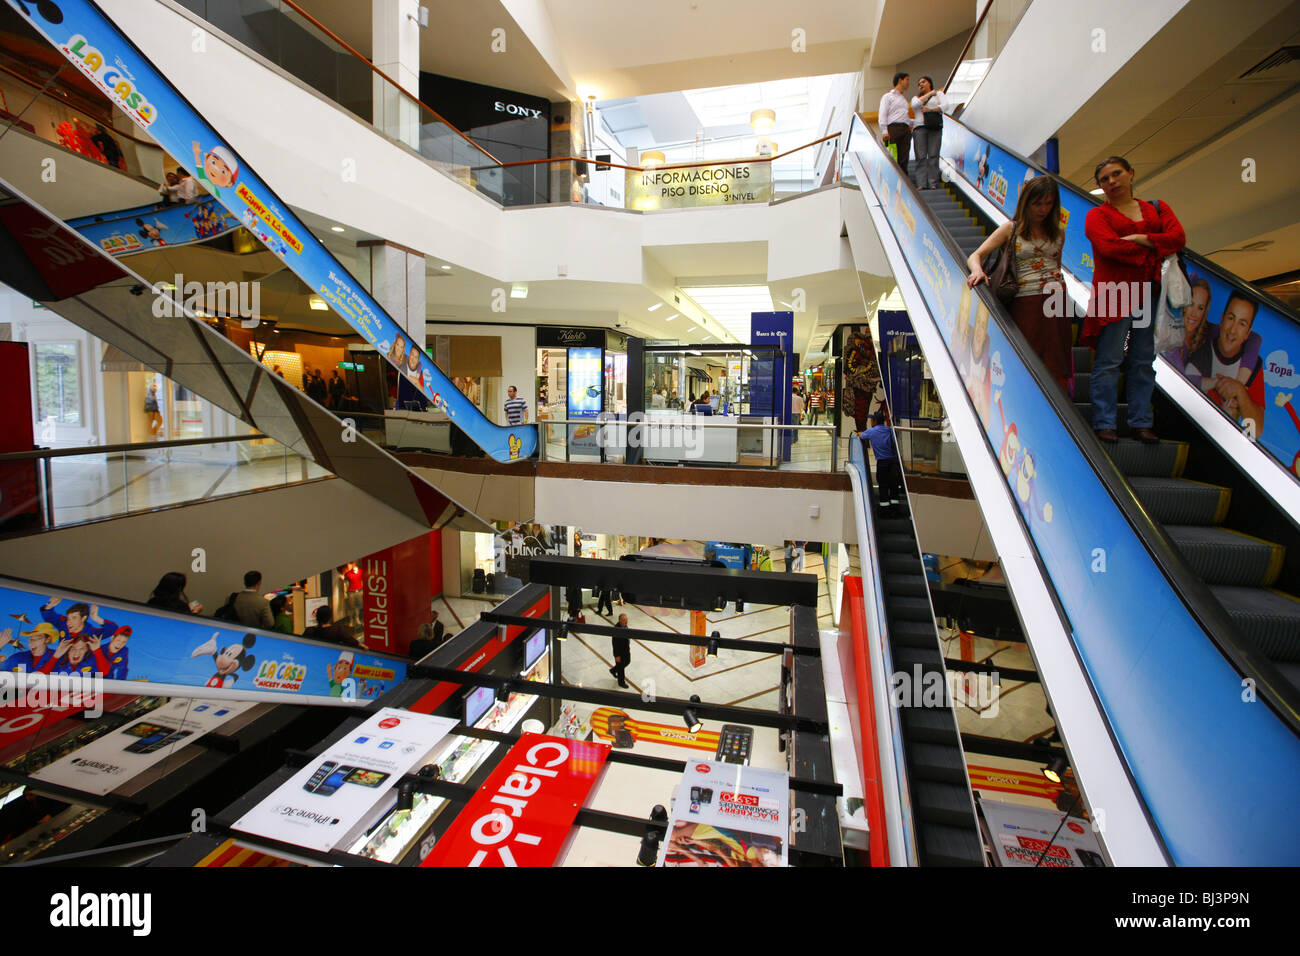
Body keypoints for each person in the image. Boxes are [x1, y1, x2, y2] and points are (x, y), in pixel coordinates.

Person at [1081, 156, 1186, 444]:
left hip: (1150, 292)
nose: (1112, 181)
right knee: (1109, 360)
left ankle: (1142, 423)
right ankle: (1104, 422)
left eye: (1117, 174)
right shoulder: (1097, 216)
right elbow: (1108, 247)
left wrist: (1140, 238)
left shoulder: (1157, 207)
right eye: (1105, 179)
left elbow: (1178, 237)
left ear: (1131, 173)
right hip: (1114, 295)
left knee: (1143, 359)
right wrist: (1154, 244)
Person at [967, 176, 1071, 392]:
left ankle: (1058, 400)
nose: (1043, 209)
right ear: (1026, 202)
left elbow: (1056, 266)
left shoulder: (1059, 233)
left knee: (1056, 355)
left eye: (1048, 203)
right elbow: (976, 255)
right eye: (1037, 203)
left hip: (1057, 299)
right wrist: (978, 271)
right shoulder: (1011, 229)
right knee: (1028, 352)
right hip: (1025, 299)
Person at [1186, 293, 1265, 436]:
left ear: (1248, 333)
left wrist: (1240, 391)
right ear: (1222, 319)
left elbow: (1256, 431)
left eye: (1242, 324)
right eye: (1231, 318)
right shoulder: (1200, 348)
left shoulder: (1254, 364)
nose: (1233, 330)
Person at [1162, 276, 1211, 376]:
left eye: (1200, 308)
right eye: (1191, 304)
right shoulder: (1169, 338)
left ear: (1204, 313)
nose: (1194, 313)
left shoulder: (1204, 341)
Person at [910, 76, 948, 190]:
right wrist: (929, 94)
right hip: (920, 128)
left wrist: (931, 110)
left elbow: (946, 106)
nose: (921, 84)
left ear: (930, 83)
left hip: (934, 127)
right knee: (920, 156)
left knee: (933, 155)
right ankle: (921, 183)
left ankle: (933, 183)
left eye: (923, 81)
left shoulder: (939, 95)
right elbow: (915, 105)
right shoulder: (916, 97)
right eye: (919, 83)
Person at [863, 412, 903, 504]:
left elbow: (862, 435)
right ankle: (895, 509)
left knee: (883, 485)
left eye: (871, 420)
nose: (870, 422)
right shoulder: (890, 430)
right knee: (894, 485)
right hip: (893, 462)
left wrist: (860, 434)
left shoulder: (871, 431)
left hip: (882, 463)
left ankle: (884, 509)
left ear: (875, 421)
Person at [878, 72, 913, 177]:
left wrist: (916, 122)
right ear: (900, 80)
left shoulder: (903, 100)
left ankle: (904, 181)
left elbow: (904, 117)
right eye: (907, 79)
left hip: (905, 129)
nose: (908, 83)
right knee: (893, 157)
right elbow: (883, 113)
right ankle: (893, 178)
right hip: (893, 129)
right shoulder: (888, 96)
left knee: (904, 157)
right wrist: (884, 131)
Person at [609, 613, 631, 688]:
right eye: (624, 620)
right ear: (620, 620)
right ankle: (621, 682)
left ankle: (613, 670)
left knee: (627, 661)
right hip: (620, 652)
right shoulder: (617, 629)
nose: (626, 621)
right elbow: (615, 644)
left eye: (626, 619)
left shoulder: (625, 626)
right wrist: (617, 655)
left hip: (626, 649)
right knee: (621, 668)